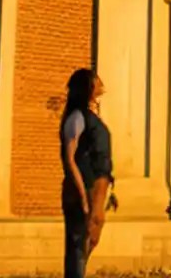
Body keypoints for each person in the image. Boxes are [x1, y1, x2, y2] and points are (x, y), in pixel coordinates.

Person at [60, 68, 114, 278]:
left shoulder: (91, 117)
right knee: (78, 245)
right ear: (87, 87)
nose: (101, 85)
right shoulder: (76, 117)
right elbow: (70, 159)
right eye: (96, 81)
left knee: (88, 240)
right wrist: (83, 196)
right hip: (82, 189)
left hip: (95, 187)